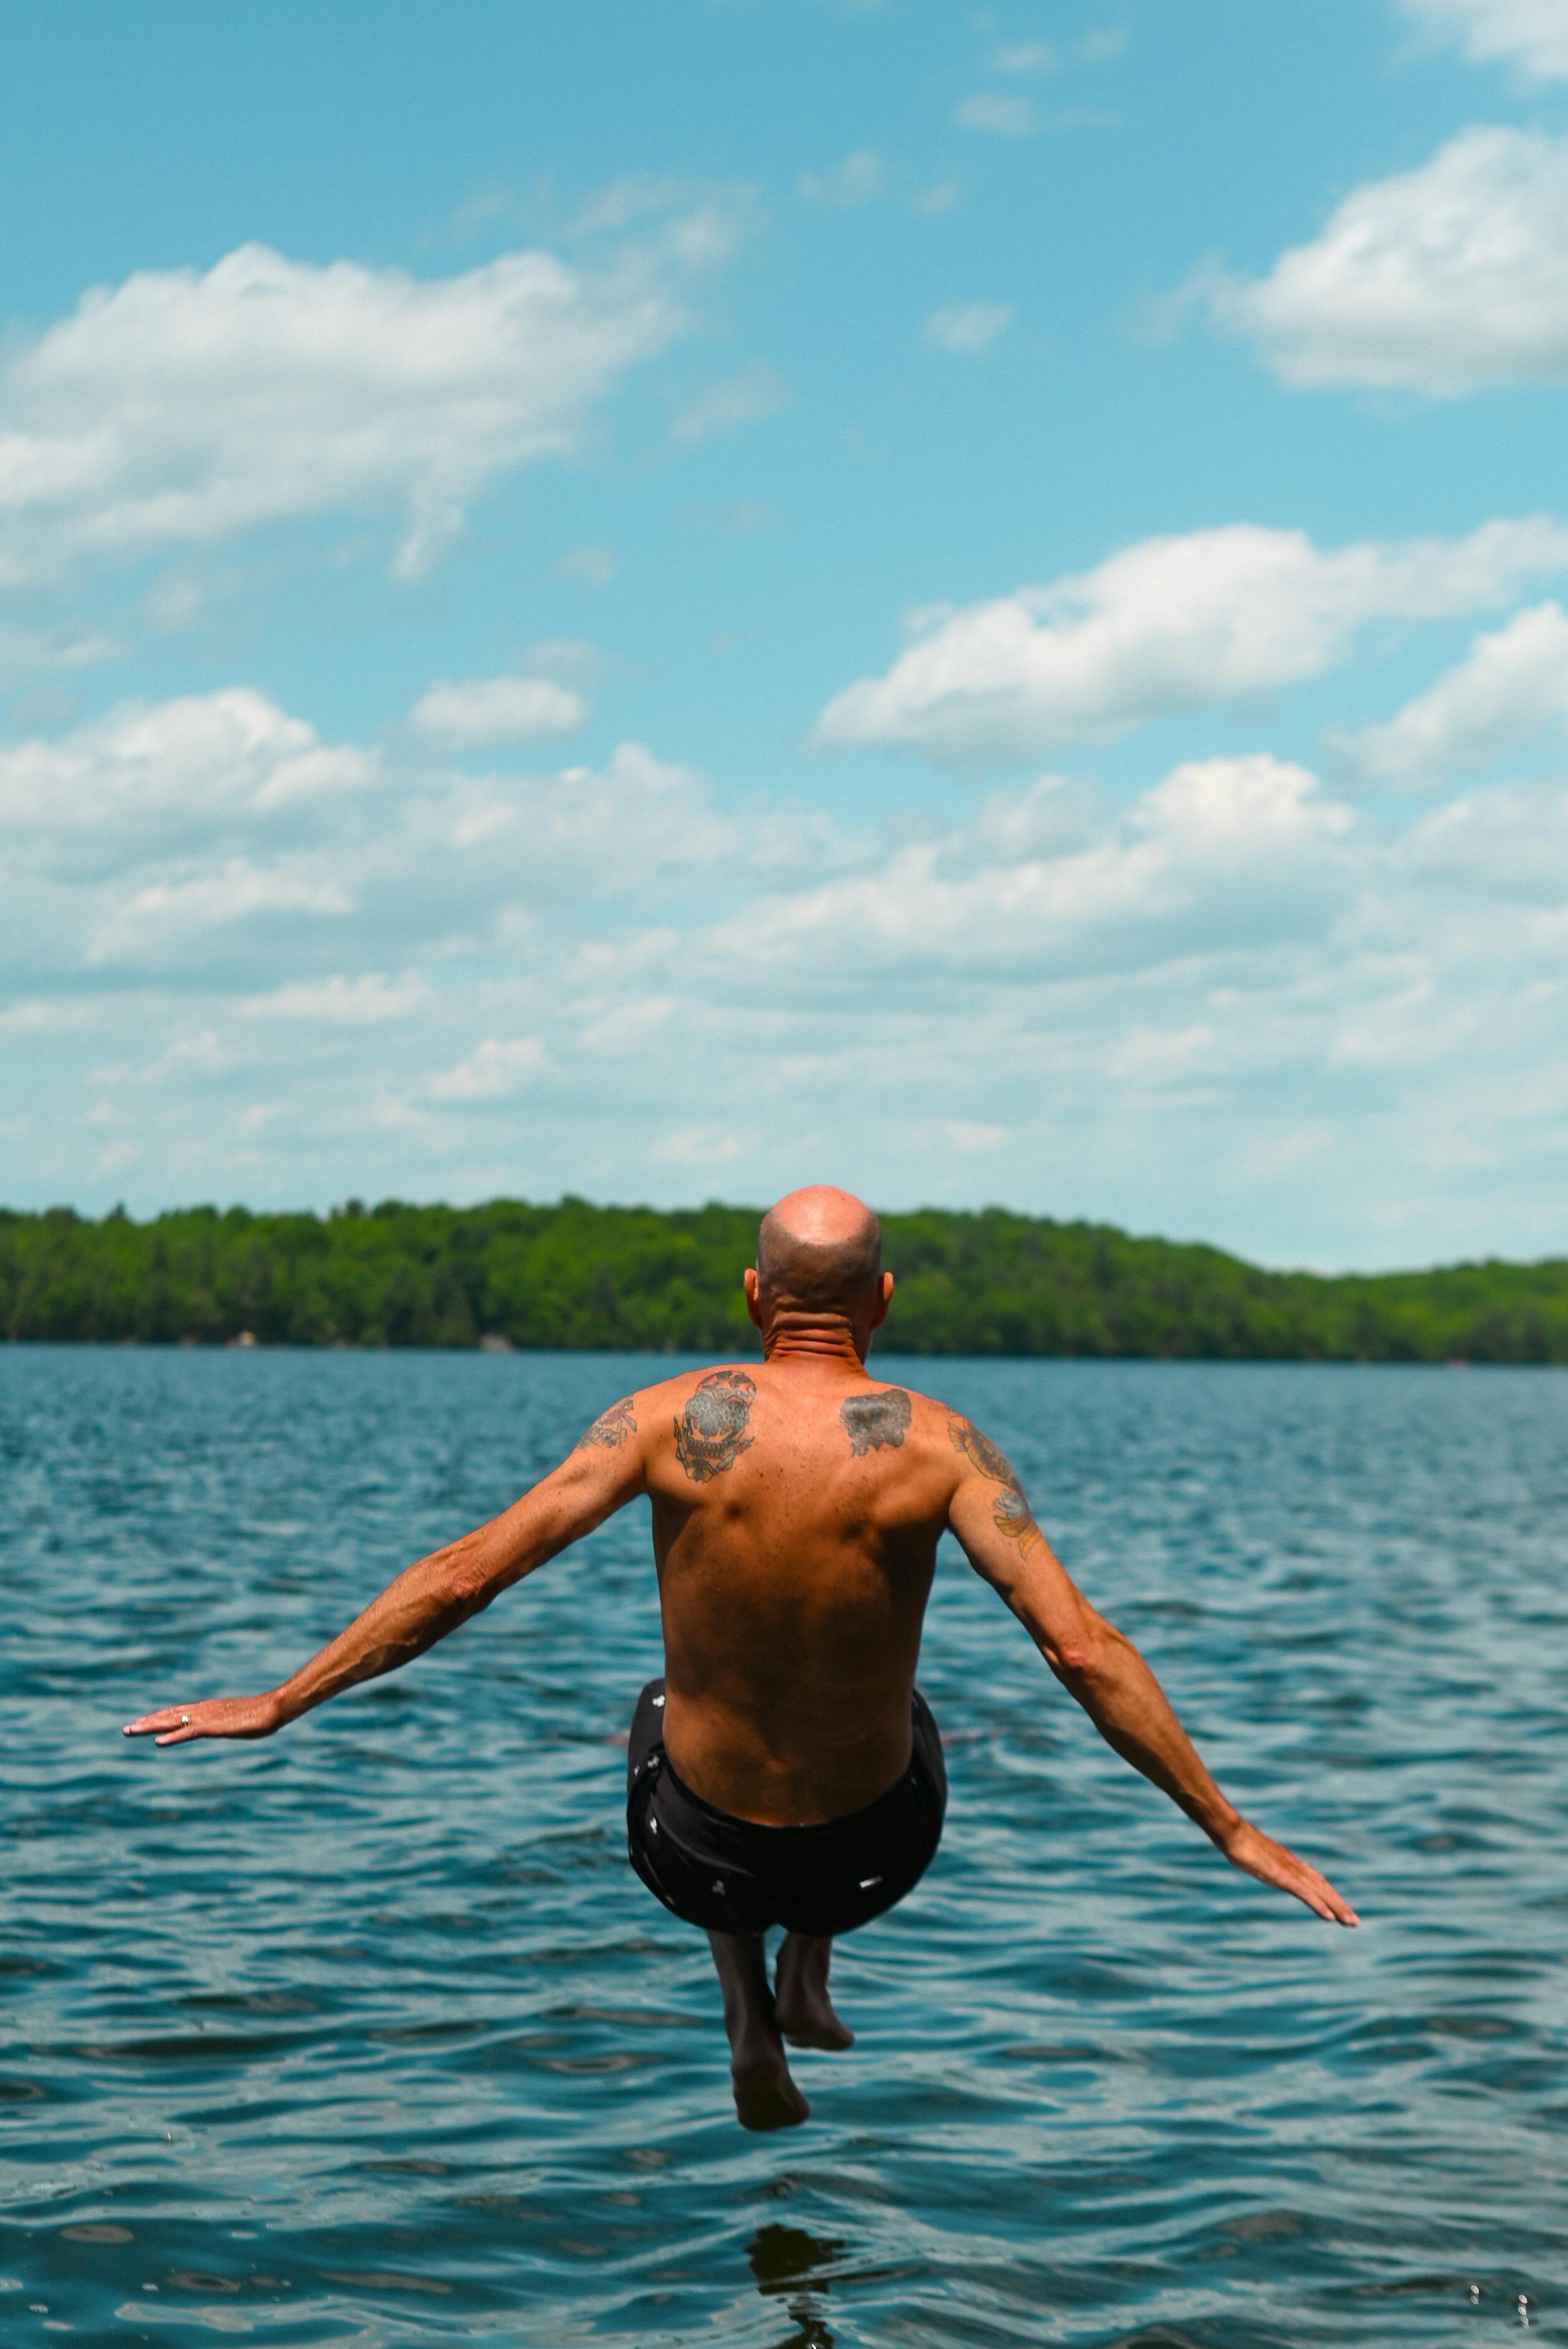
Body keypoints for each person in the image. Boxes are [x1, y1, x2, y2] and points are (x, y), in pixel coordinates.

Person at [125, 1184, 1358, 2132]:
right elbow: (1082, 1652)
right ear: (882, 1300)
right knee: (906, 1709)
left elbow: (463, 1575)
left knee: (660, 1708)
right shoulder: (942, 1447)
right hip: (877, 1856)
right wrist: (1229, 1828)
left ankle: (743, 2004)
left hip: (693, 1853)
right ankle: (808, 1974)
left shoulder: (663, 1418)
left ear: (751, 1296)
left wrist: (283, 1700)